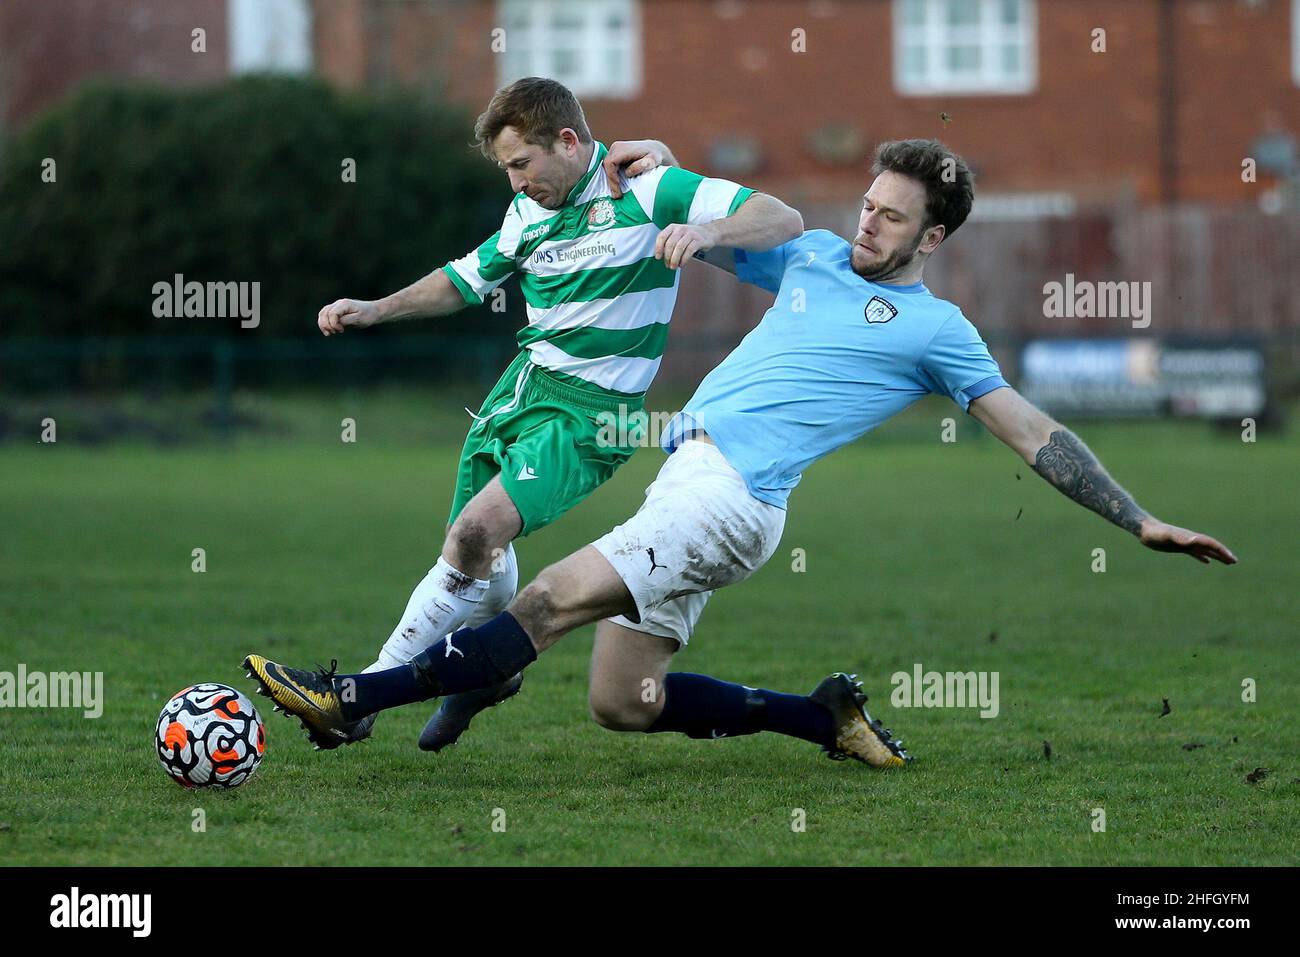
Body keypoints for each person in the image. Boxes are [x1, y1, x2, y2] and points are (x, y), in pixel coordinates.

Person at [246, 138, 1235, 768]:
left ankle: (351, 699)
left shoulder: (937, 330)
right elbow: (720, 215)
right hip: (696, 482)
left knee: (543, 598)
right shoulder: (807, 255)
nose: (869, 219)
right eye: (869, 201)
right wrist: (659, 170)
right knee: (621, 704)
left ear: (932, 235)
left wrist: (1136, 518)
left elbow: (1032, 430)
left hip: (730, 497)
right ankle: (821, 721)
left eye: (892, 215)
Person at [311, 76, 801, 746]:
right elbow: (463, 279)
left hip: (598, 415)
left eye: (521, 164)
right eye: (506, 168)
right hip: (523, 391)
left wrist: (706, 228)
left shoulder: (649, 188)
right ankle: (487, 678)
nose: (514, 182)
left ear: (567, 141)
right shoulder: (527, 213)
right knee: (470, 547)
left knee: (478, 530)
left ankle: (361, 695)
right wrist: (376, 309)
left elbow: (783, 217)